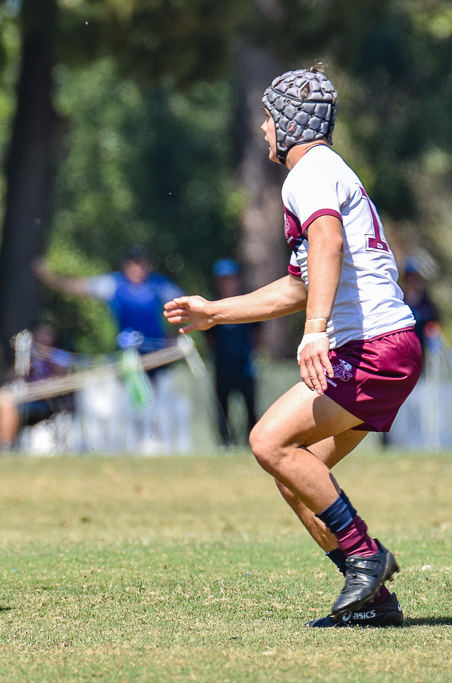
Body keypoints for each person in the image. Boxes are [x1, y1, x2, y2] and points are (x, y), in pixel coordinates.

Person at [164, 66, 420, 628]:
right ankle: (374, 600)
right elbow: (299, 286)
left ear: (288, 122)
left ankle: (365, 556)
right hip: (390, 346)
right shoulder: (328, 172)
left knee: (267, 441)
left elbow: (326, 242)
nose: (263, 129)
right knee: (296, 477)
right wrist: (214, 312)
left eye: (267, 119)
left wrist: (315, 330)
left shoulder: (309, 173)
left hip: (372, 346)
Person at [34, 245, 182, 356]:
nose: (137, 269)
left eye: (140, 264)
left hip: (157, 351)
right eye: (133, 264)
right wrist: (50, 278)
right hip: (129, 353)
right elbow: (80, 287)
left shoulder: (158, 284)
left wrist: (173, 335)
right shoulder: (115, 284)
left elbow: (182, 303)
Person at [205, 259, 259, 448]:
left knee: (250, 407)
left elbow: (257, 334)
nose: (227, 283)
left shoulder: (248, 305)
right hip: (222, 366)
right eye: (223, 279)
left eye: (230, 278)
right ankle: (225, 443)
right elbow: (208, 340)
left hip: (245, 366)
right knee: (222, 408)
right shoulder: (211, 307)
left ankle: (252, 441)